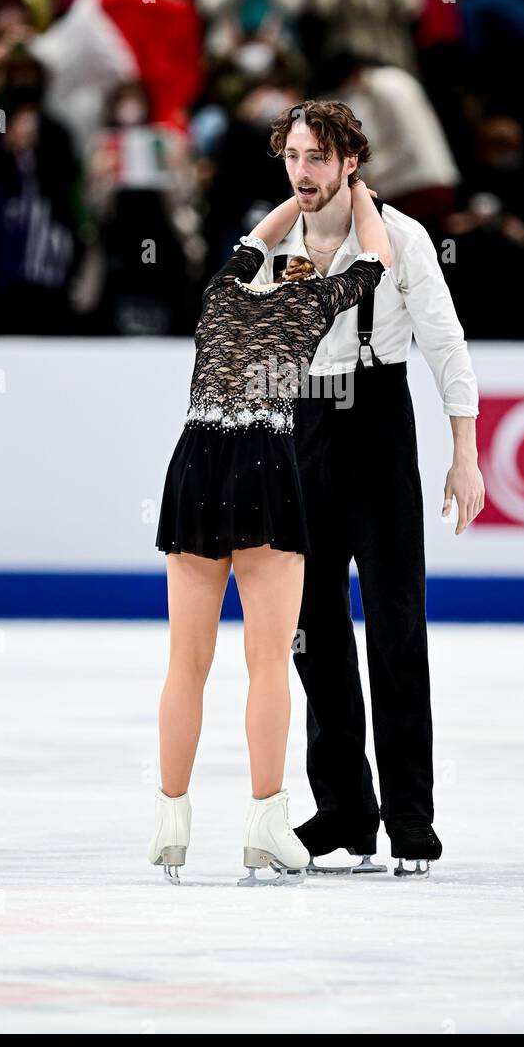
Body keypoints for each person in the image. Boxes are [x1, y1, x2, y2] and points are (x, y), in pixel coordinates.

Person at [257, 100, 483, 877]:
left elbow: (447, 345)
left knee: (394, 627)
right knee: (310, 632)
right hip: (301, 430)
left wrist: (465, 454)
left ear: (350, 160)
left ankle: (411, 818)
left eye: (317, 157)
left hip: (379, 424)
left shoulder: (406, 238)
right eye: (293, 156)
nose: (303, 172)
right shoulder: (275, 238)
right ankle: (348, 810)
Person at [149, 180, 391, 884]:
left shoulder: (222, 293)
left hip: (194, 461)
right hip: (263, 463)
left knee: (185, 662)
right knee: (266, 662)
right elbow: (374, 260)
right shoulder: (313, 303)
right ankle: (264, 824)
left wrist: (294, 199)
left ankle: (170, 819)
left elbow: (251, 241)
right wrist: (355, 195)